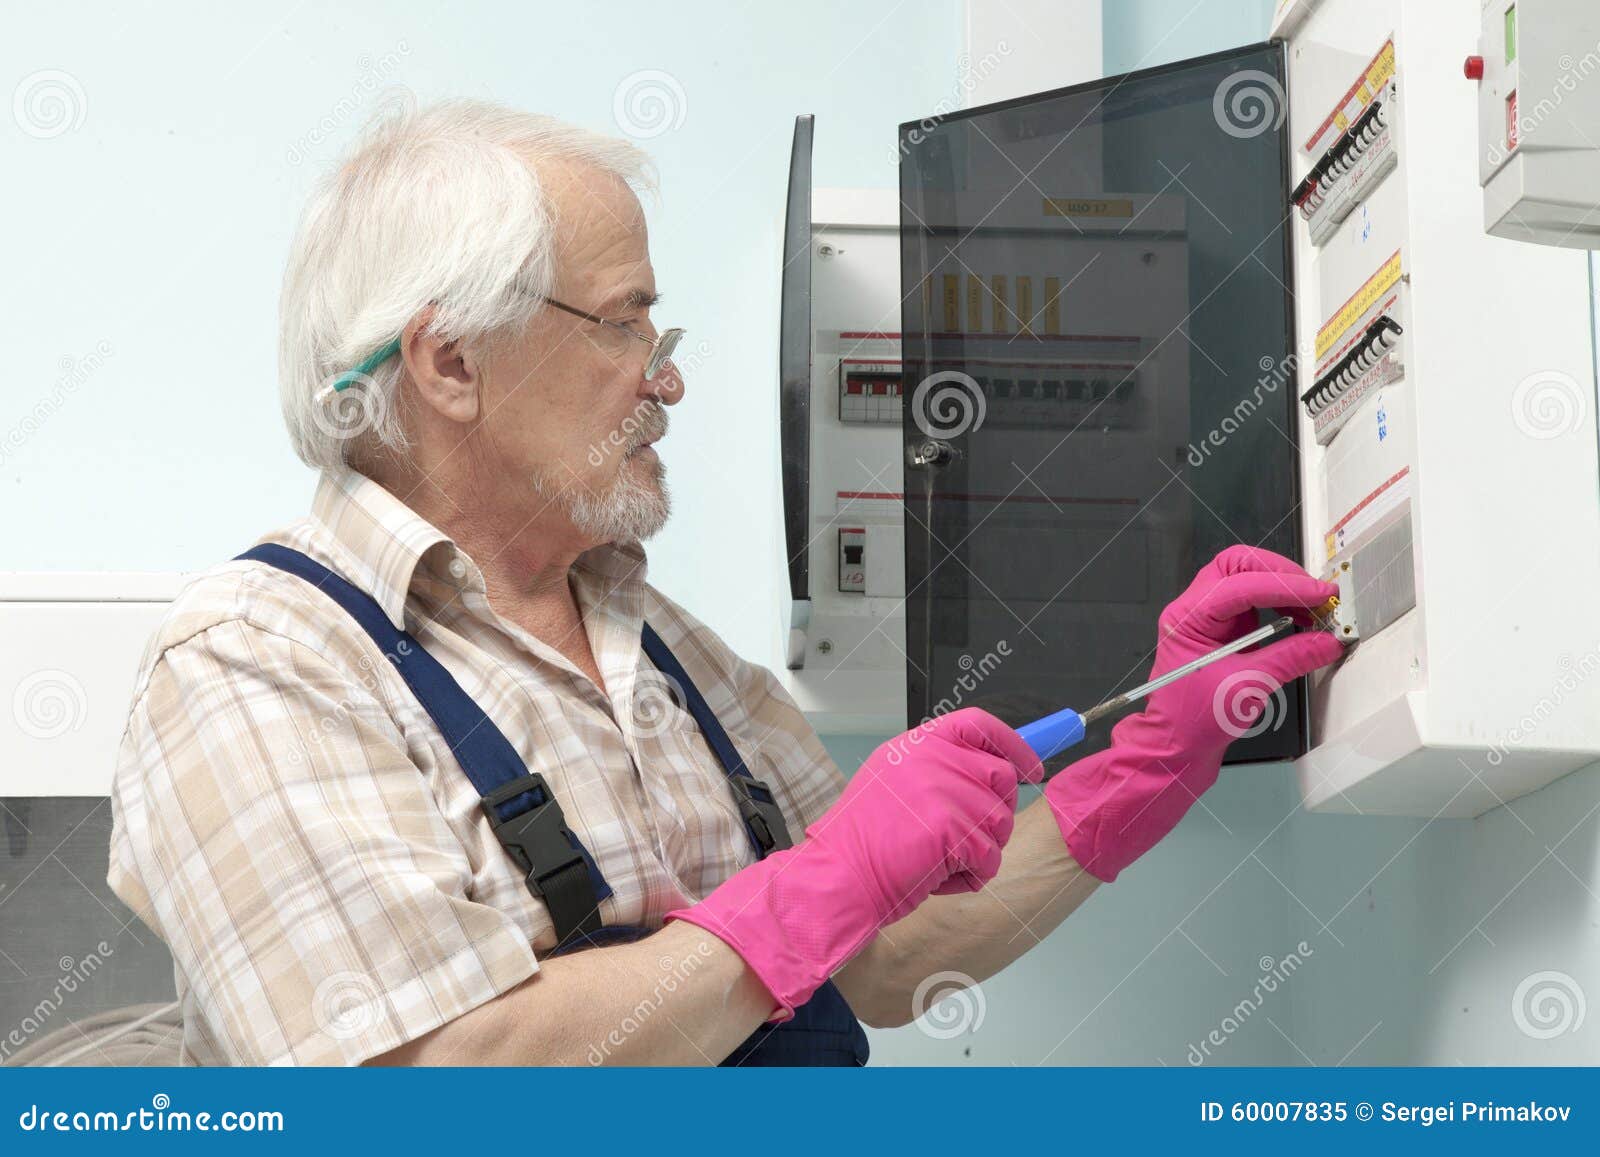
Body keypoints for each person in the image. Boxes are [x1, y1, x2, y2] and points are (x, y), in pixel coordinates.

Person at [106, 98, 1343, 1066]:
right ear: (451, 362)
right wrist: (827, 879)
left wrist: (1150, 761)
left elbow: (886, 950)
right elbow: (430, 1076)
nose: (666, 379)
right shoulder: (254, 661)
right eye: (623, 322)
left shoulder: (677, 657)